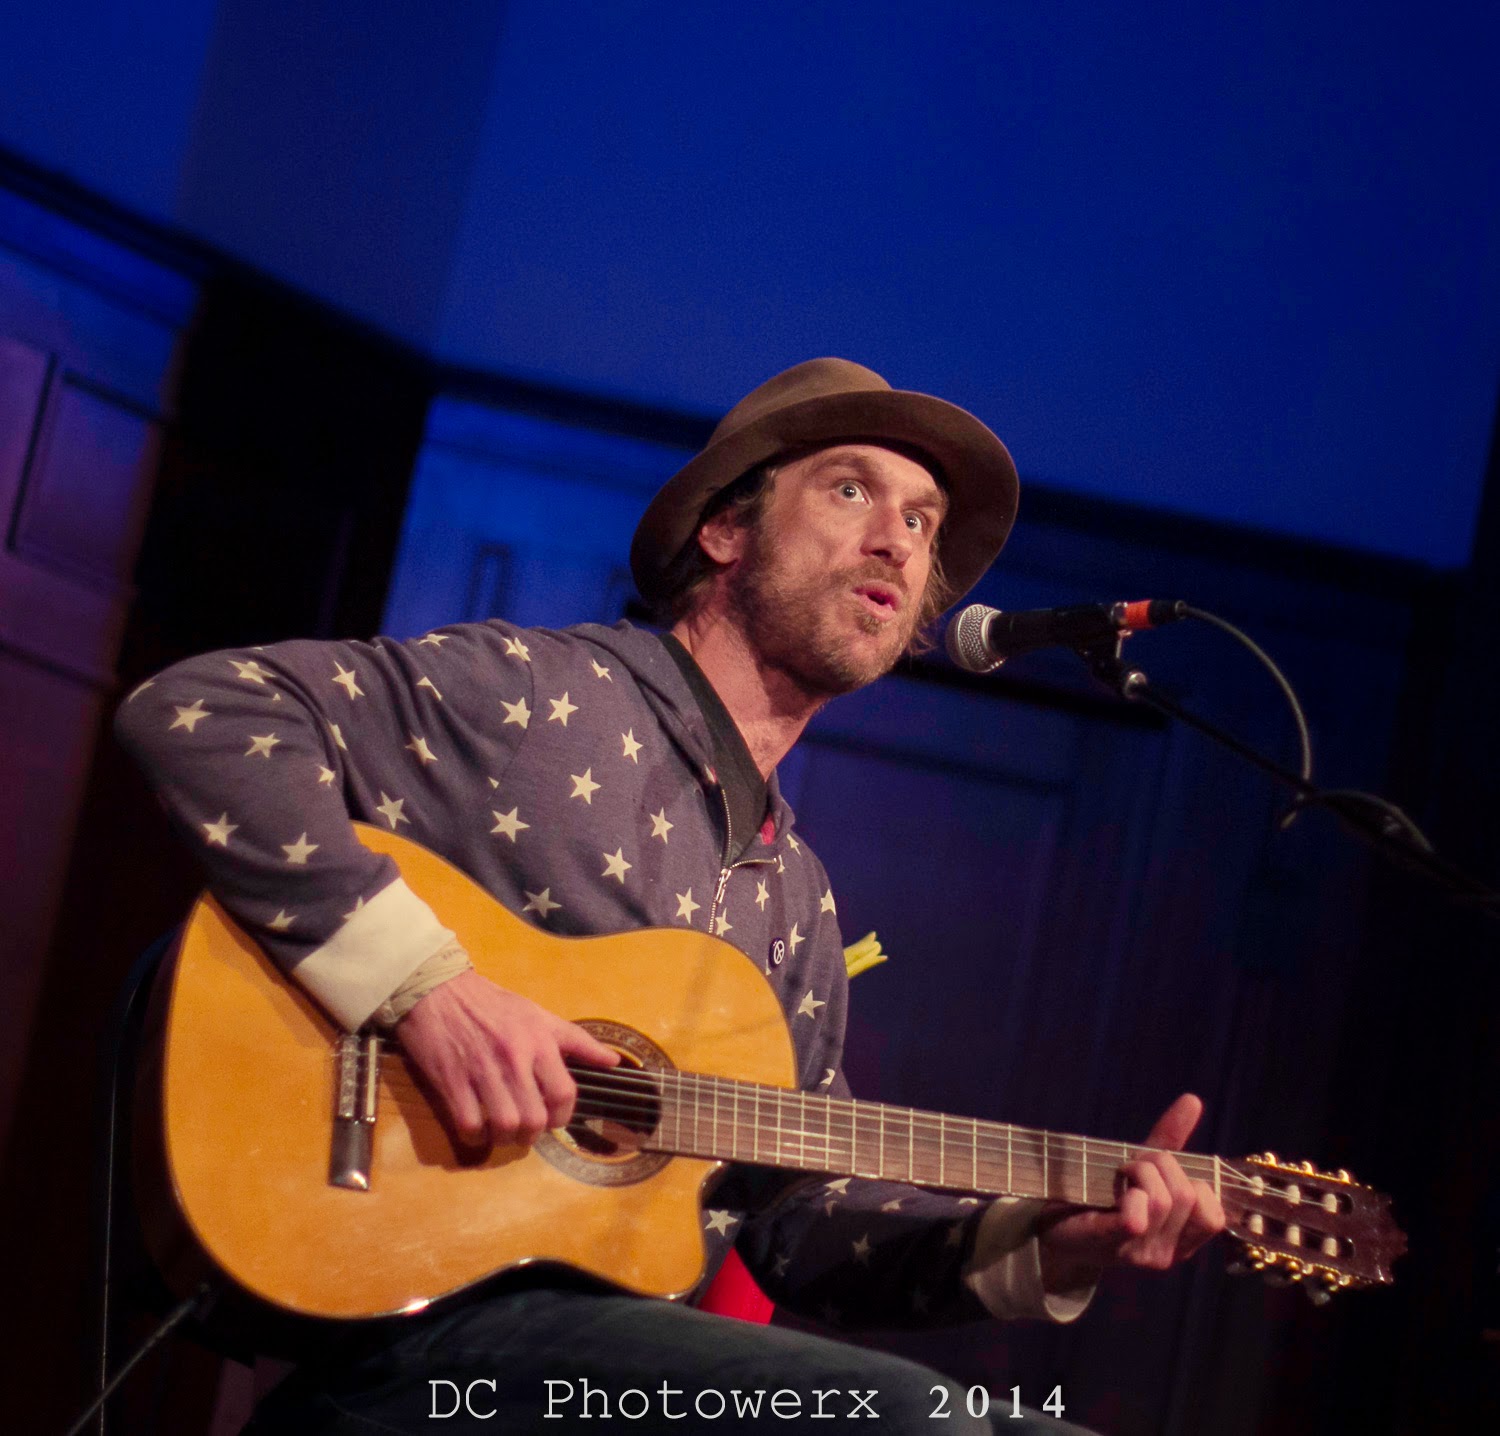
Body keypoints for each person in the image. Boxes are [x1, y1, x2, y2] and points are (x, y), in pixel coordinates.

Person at [115, 358, 1225, 1433]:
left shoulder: (797, 896)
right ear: (725, 528)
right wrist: (425, 989)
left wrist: (1056, 1241)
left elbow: (802, 1216)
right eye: (851, 489)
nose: (899, 537)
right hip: (410, 1329)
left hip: (607, 1364)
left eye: (926, 521)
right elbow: (206, 707)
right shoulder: (545, 696)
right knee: (911, 1422)